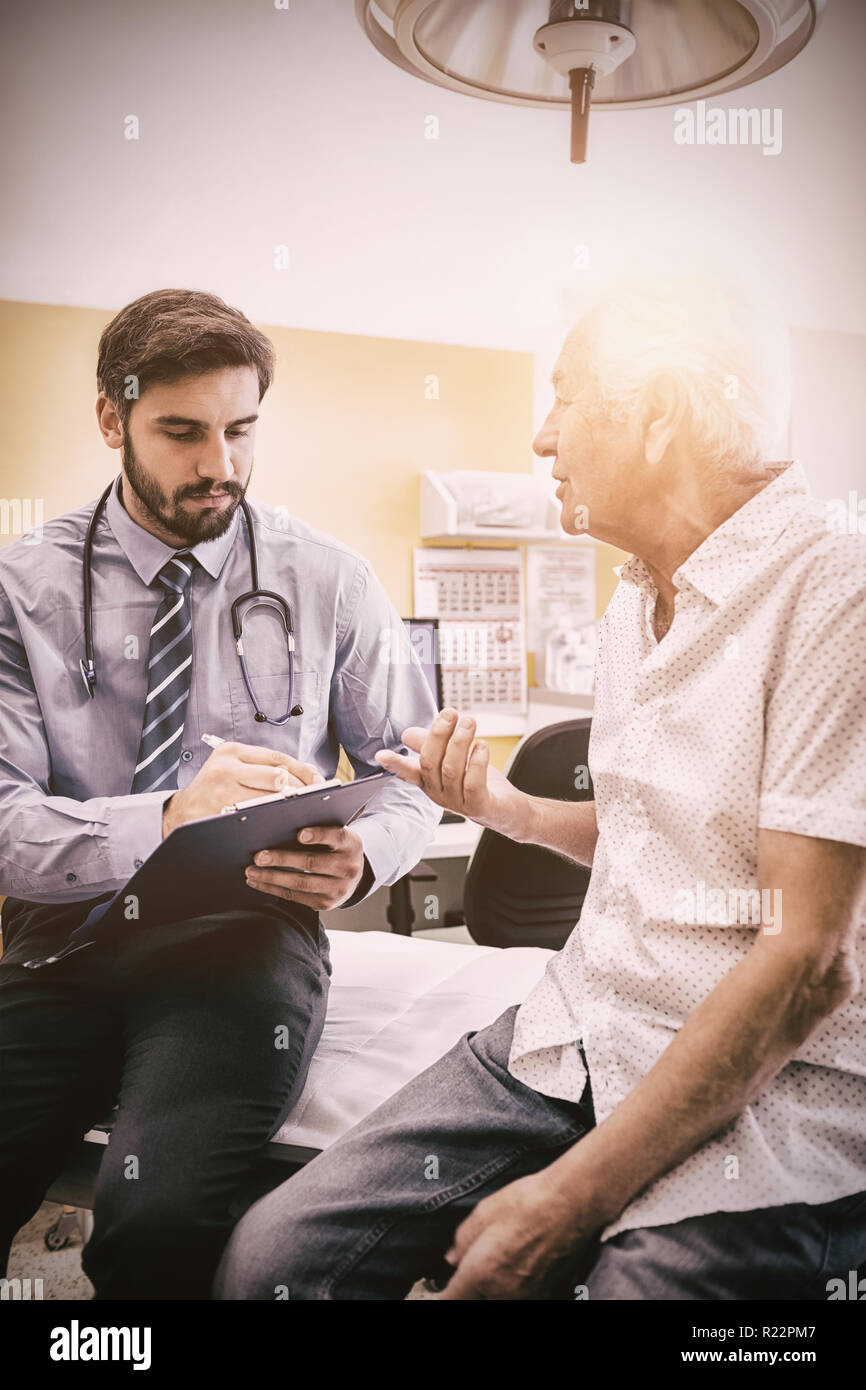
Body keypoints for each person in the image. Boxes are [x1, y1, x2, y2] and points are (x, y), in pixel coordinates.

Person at [215, 273, 866, 1300]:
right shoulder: (633, 599)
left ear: (654, 416)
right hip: (576, 1032)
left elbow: (806, 963)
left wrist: (569, 1200)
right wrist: (501, 811)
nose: (540, 440)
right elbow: (654, 833)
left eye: (563, 397)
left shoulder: (835, 592)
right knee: (271, 1261)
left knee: (629, 1288)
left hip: (773, 1087)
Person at [0, 288, 441, 1299]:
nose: (219, 465)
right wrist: (163, 821)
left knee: (153, 1224)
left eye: (241, 430)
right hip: (60, 939)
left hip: (241, 945)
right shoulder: (18, 589)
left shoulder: (327, 579)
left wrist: (362, 855)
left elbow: (408, 782)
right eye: (182, 432)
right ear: (111, 419)